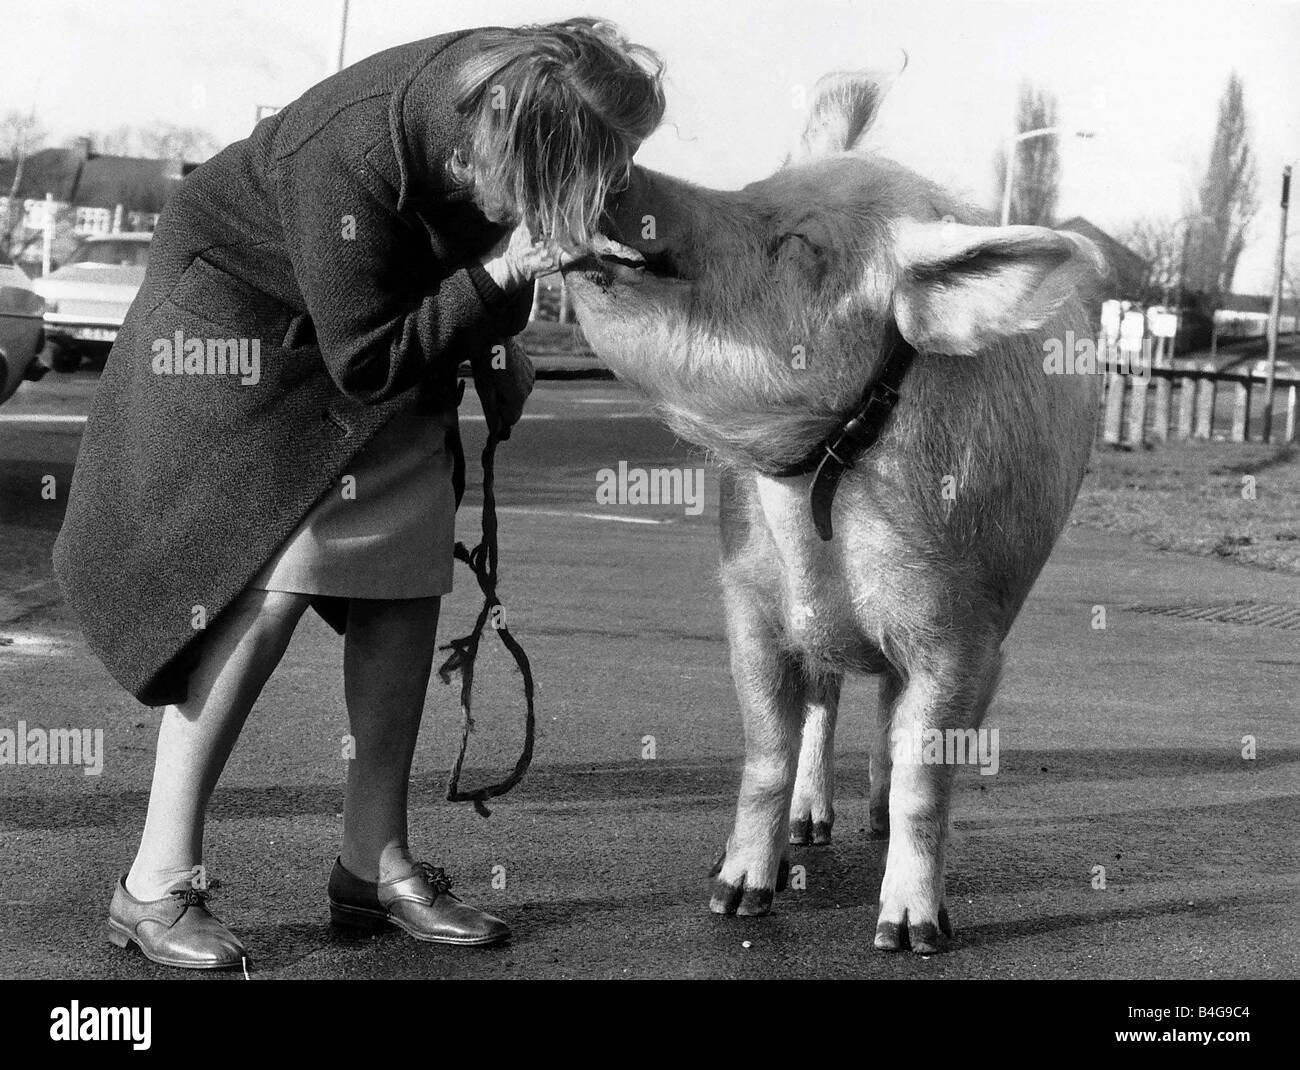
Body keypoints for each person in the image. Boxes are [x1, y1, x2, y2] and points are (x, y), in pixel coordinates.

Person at [53, 18, 665, 970]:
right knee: (264, 586)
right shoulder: (352, 150)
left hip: (376, 320)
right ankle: (153, 882)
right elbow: (369, 359)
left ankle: (371, 865)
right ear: (513, 139)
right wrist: (505, 275)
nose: (604, 187)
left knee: (407, 570)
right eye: (589, 167)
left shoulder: (515, 101)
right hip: (246, 333)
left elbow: (481, 245)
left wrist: (500, 333)